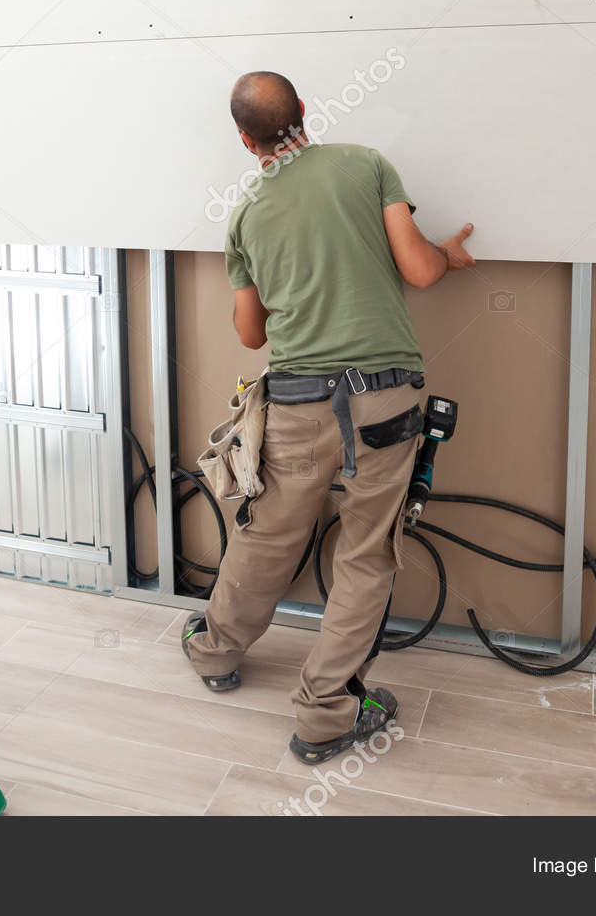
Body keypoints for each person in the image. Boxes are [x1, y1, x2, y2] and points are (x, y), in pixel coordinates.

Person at [181, 70, 475, 764]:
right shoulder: (365, 164)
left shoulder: (247, 212)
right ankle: (323, 717)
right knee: (366, 558)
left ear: (246, 141)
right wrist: (451, 257)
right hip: (384, 401)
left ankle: (214, 652)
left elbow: (251, 335)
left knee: (266, 536)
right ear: (306, 114)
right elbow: (421, 270)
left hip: (296, 403)